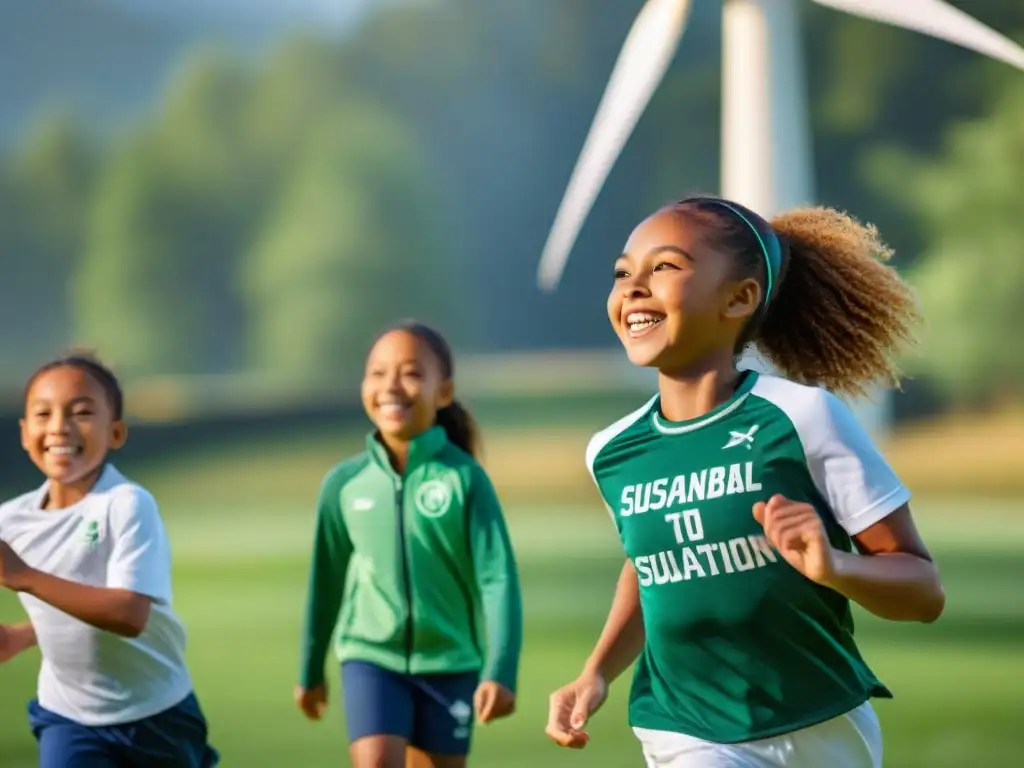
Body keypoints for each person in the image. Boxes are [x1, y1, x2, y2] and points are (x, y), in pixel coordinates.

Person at [545, 196, 945, 768]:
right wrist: (596, 672)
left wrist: (835, 566)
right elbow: (651, 565)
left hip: (823, 724)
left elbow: (924, 593)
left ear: (740, 297)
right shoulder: (610, 452)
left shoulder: (803, 417)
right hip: (686, 728)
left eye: (663, 267)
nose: (633, 286)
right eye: (622, 272)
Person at [295, 320, 523, 768]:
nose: (391, 386)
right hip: (370, 658)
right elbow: (326, 580)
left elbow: (498, 579)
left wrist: (501, 671)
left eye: (412, 373)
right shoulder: (344, 484)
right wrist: (310, 669)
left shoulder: (465, 479)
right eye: (377, 373)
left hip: (450, 664)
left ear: (444, 392)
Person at [0, 353, 218, 768]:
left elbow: (128, 613)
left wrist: (23, 576)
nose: (59, 427)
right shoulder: (9, 520)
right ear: (26, 433)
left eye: (81, 412)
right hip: (68, 716)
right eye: (43, 414)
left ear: (116, 432)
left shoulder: (127, 504)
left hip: (158, 712)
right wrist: (22, 635)